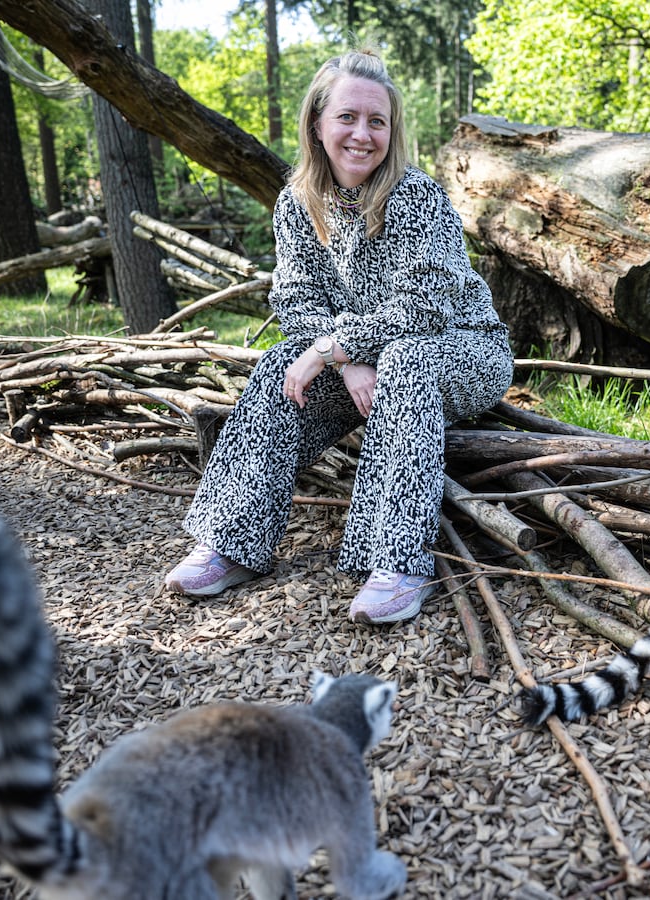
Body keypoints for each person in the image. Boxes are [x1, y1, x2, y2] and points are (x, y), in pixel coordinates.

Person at [165, 49, 513, 624]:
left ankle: (398, 562)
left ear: (392, 131)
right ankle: (232, 542)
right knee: (280, 365)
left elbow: (422, 305)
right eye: (348, 117)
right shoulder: (296, 203)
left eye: (377, 121)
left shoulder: (415, 195)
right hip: (369, 358)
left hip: (461, 349)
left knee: (407, 360)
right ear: (318, 124)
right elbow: (297, 301)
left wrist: (334, 349)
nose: (362, 133)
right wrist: (345, 361)